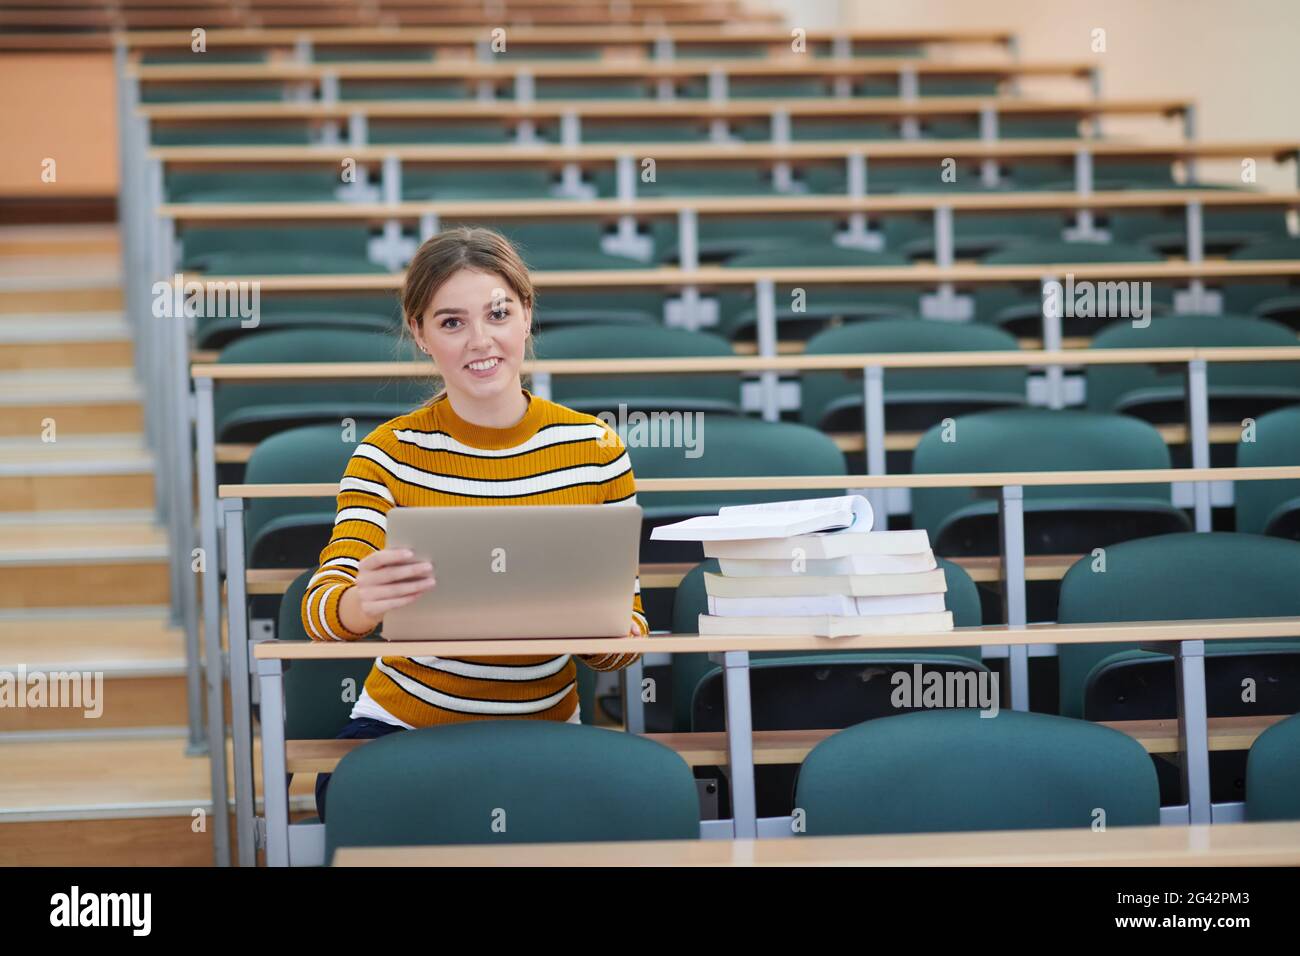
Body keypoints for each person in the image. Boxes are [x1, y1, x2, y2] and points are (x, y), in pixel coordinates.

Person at [301, 226, 649, 819]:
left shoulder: (595, 448)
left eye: (498, 313)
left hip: (548, 733)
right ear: (420, 334)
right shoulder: (386, 455)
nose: (481, 340)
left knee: (633, 804)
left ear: (526, 315)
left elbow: (628, 638)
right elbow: (320, 611)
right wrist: (363, 602)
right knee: (361, 800)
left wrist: (602, 629)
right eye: (452, 322)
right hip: (405, 730)